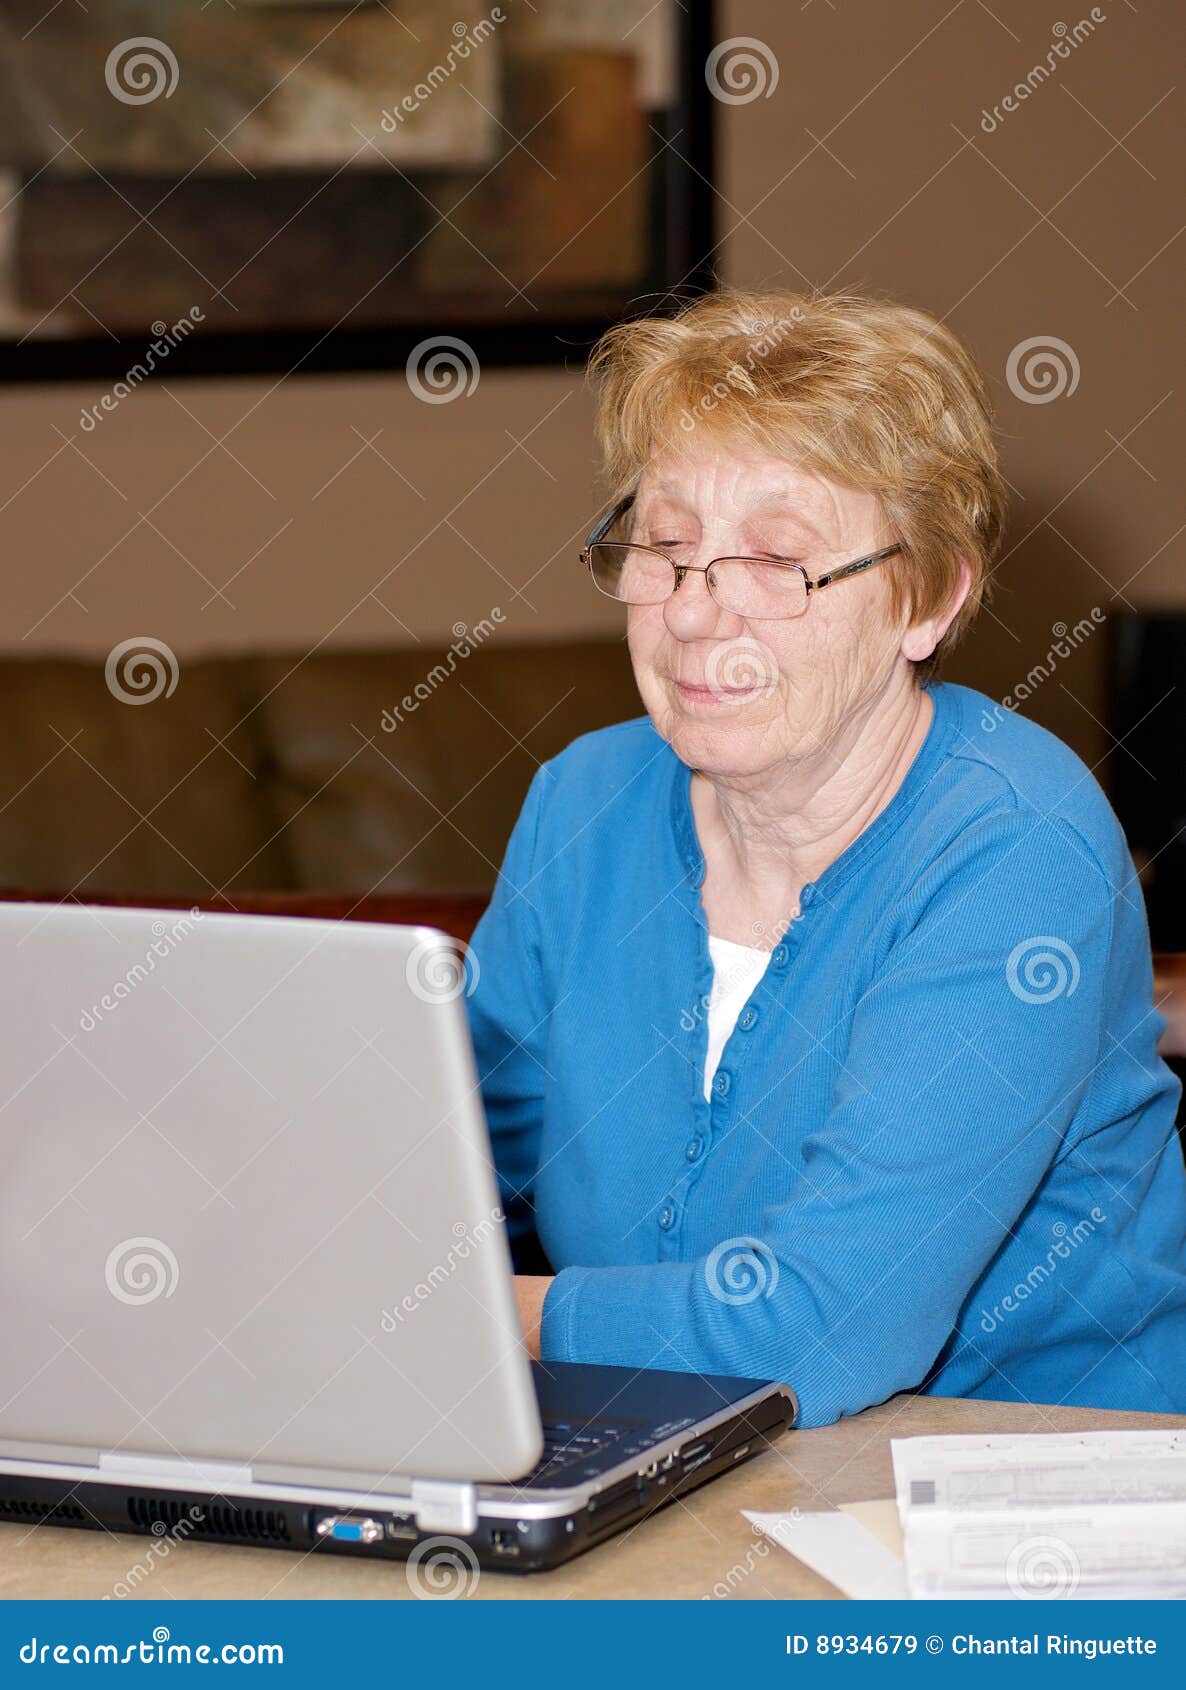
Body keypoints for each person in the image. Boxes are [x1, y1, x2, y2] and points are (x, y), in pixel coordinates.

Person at [465, 289, 1186, 1428]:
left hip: (1017, 1478)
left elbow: (818, 1332)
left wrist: (470, 1317)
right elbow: (457, 1166)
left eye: (776, 561)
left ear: (928, 598)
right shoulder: (585, 804)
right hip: (663, 1447)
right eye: (667, 547)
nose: (694, 614)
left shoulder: (1016, 849)